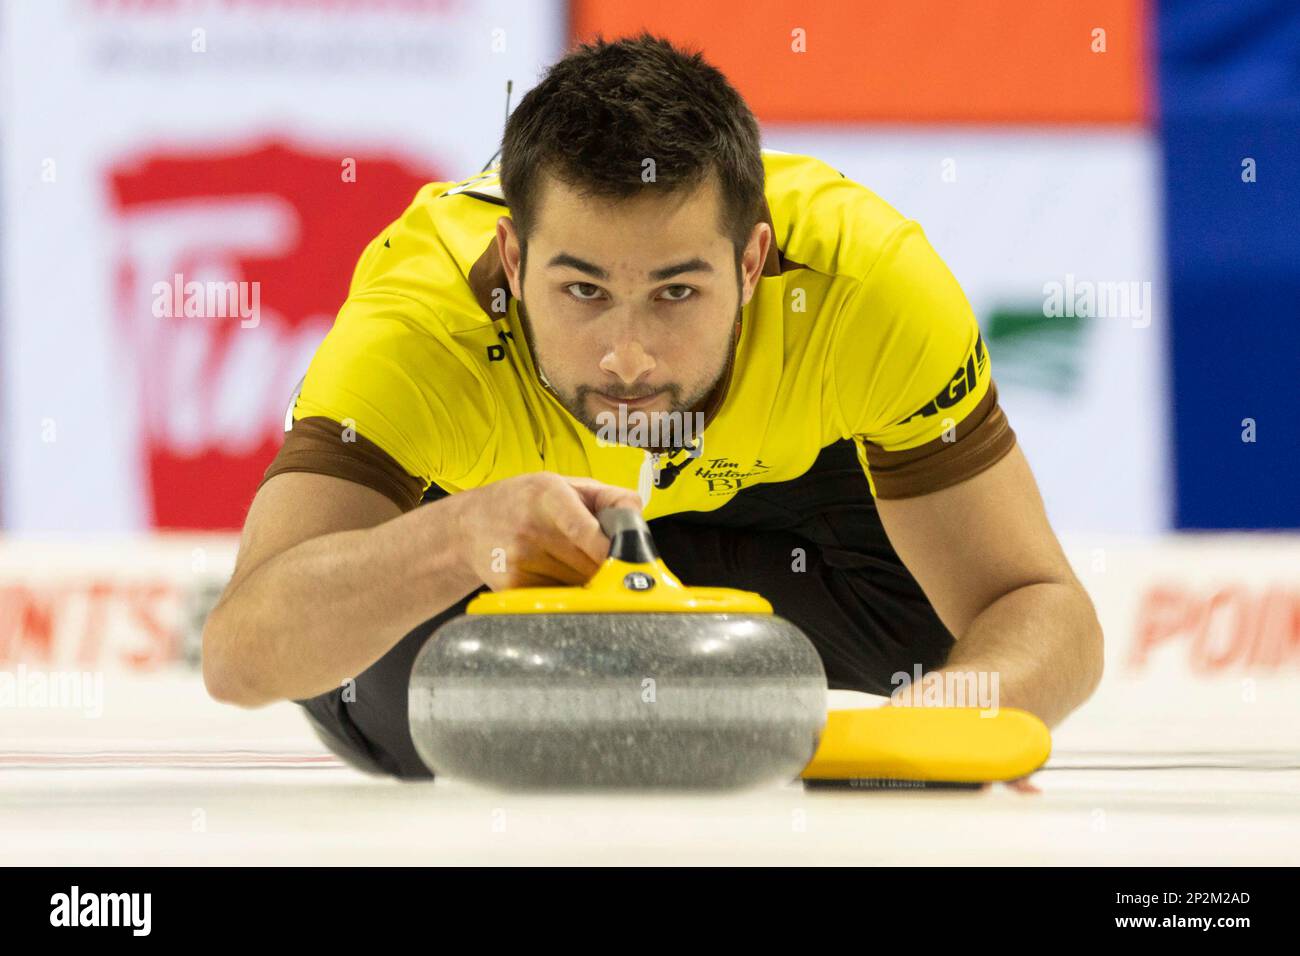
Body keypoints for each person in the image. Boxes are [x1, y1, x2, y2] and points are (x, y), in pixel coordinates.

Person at [202, 33, 1103, 779]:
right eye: (583, 291)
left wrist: (948, 713)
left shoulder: (863, 287)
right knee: (418, 705)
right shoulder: (418, 330)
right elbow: (242, 653)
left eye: (675, 293)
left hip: (764, 527)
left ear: (752, 265)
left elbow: (1038, 602)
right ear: (513, 265)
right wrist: (459, 535)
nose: (626, 358)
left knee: (943, 640)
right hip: (488, 558)